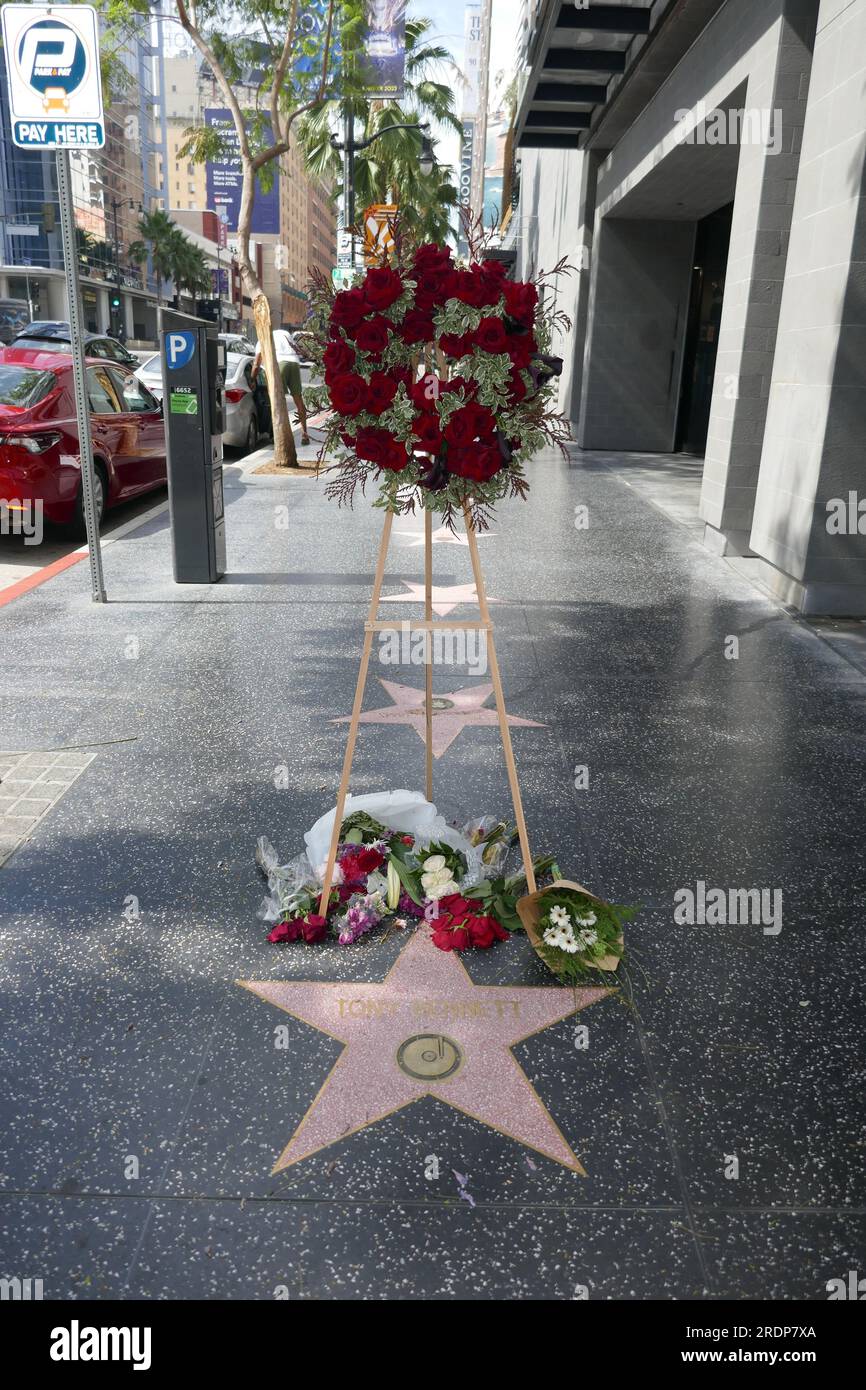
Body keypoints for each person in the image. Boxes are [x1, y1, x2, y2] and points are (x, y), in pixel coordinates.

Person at [253, 329, 310, 446]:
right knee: (298, 400)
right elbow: (296, 349)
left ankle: (279, 435)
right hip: (294, 362)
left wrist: (252, 379)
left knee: (278, 402)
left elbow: (256, 364)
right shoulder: (284, 333)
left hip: (280, 363)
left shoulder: (262, 339)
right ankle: (305, 433)